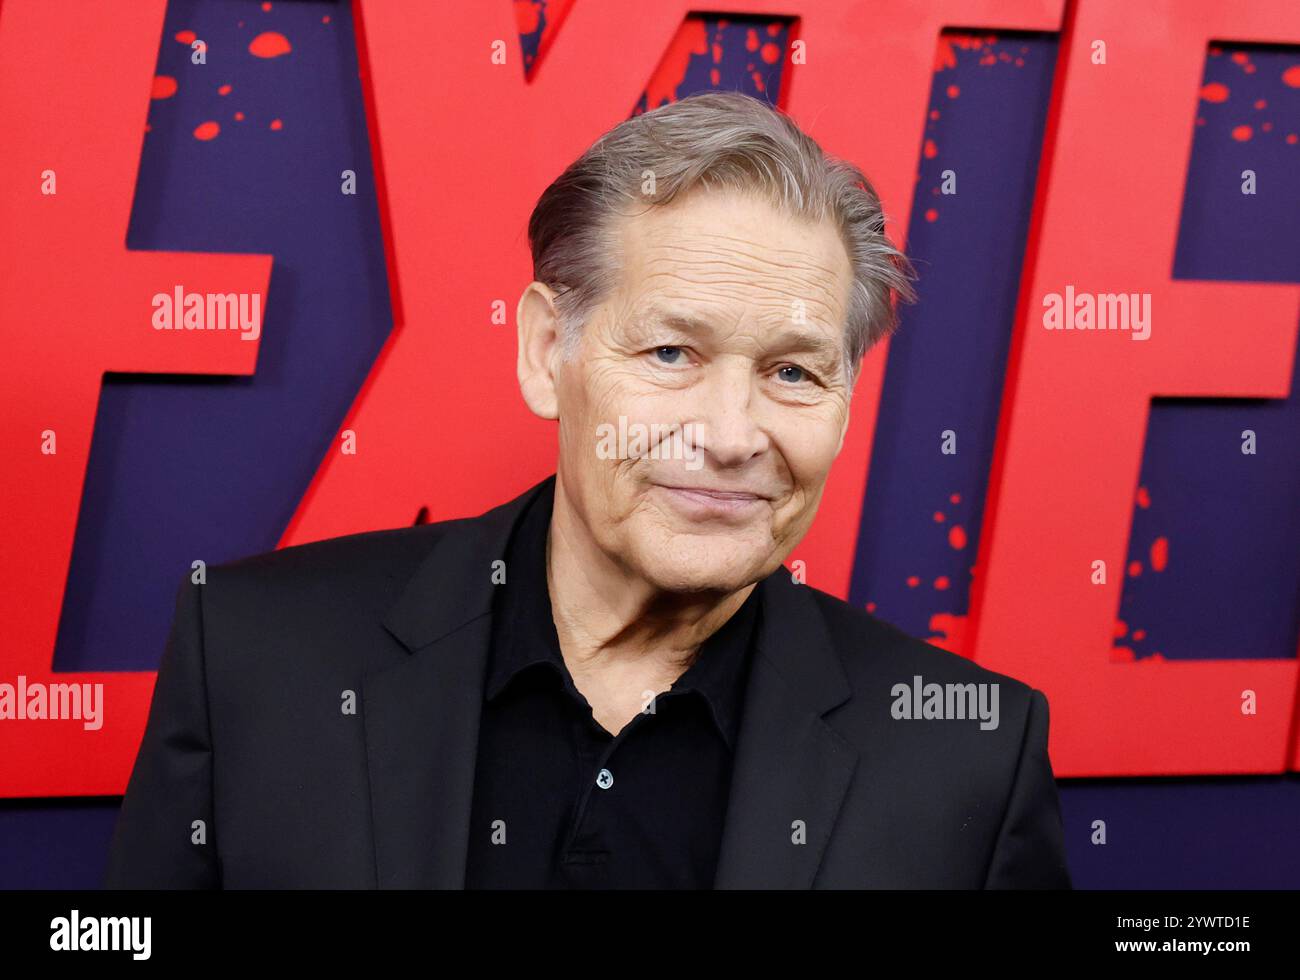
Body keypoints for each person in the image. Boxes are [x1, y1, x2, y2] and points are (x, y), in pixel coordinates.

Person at [103, 90, 1070, 889]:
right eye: (669, 351)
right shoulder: (254, 657)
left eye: (794, 372)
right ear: (543, 353)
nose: (731, 436)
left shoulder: (971, 758)